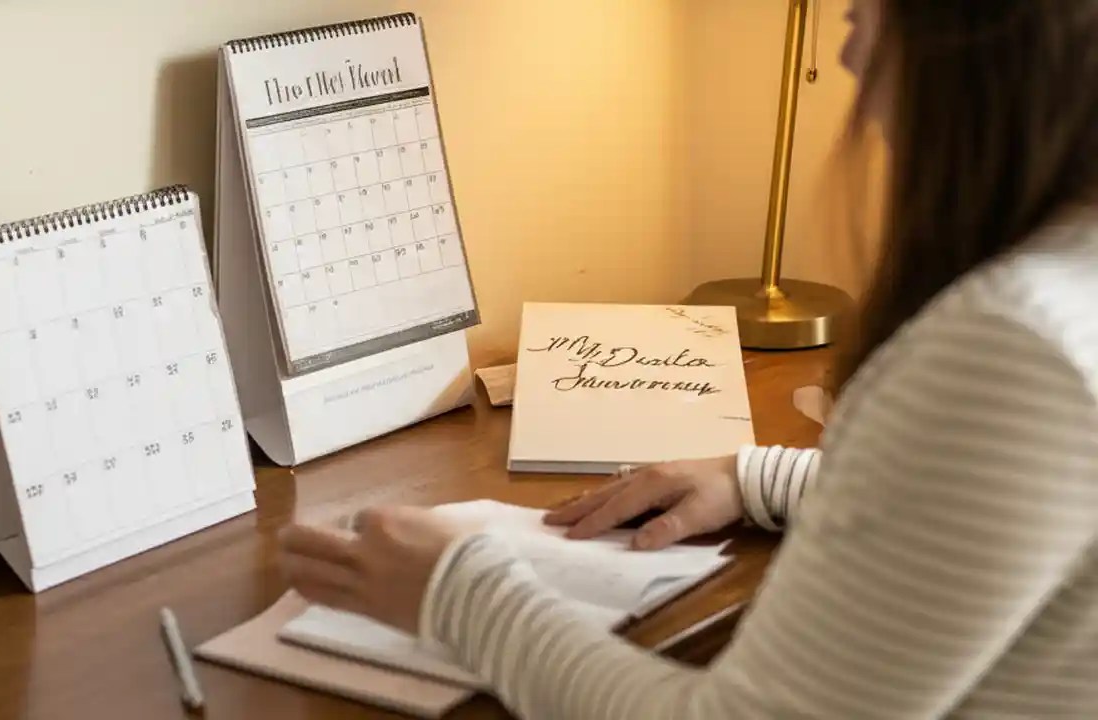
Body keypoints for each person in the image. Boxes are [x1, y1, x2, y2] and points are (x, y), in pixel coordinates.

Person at [277, 1, 1098, 717]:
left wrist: (456, 588)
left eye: (862, 16)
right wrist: (757, 478)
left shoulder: (1008, 349)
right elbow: (1008, 500)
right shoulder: (1065, 292)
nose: (847, 57)